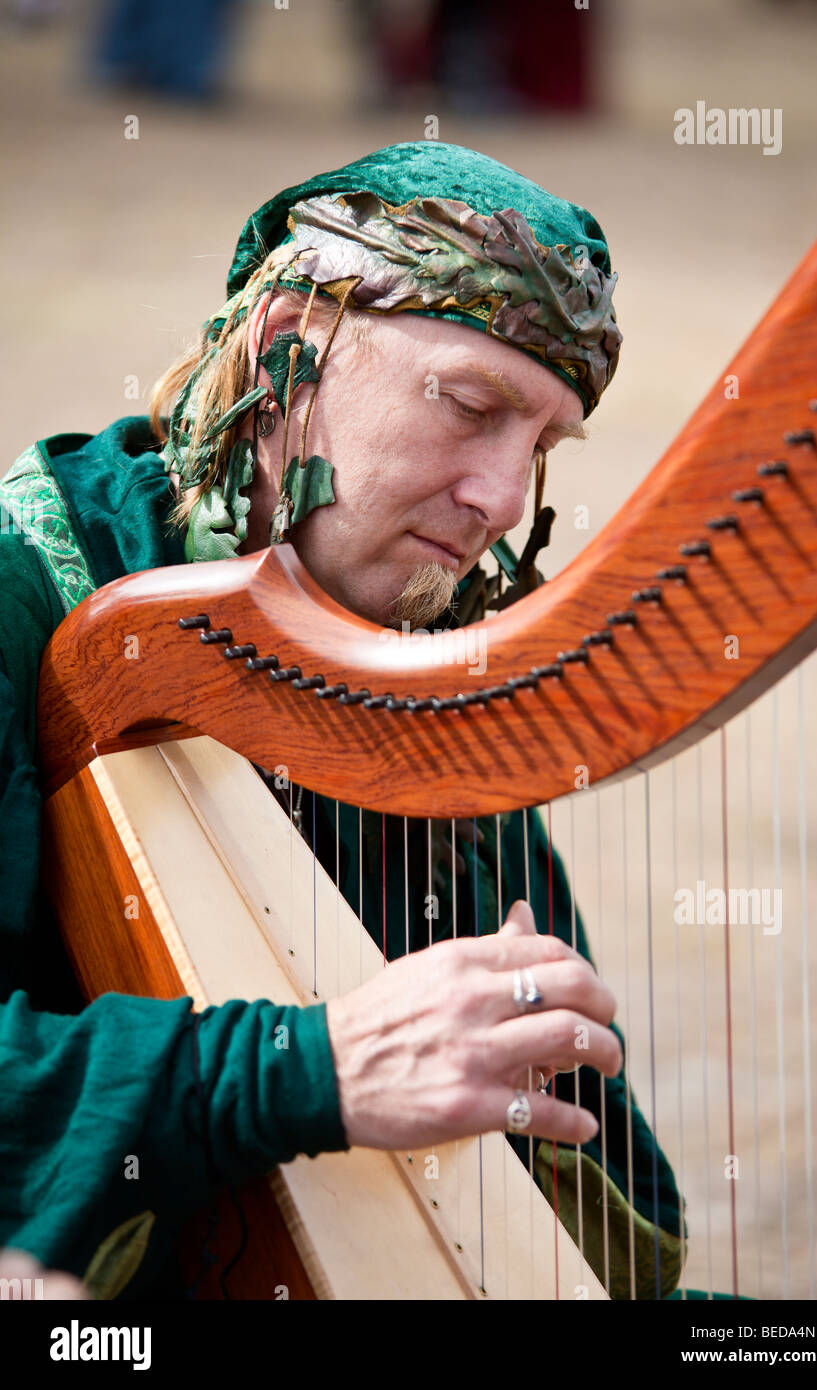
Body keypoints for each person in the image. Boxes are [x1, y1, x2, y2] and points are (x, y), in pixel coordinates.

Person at [0, 141, 683, 1300]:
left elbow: (591, 1206)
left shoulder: (421, 668)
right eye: (471, 407)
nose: (503, 500)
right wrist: (299, 1069)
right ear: (285, 351)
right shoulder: (32, 590)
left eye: (543, 447)